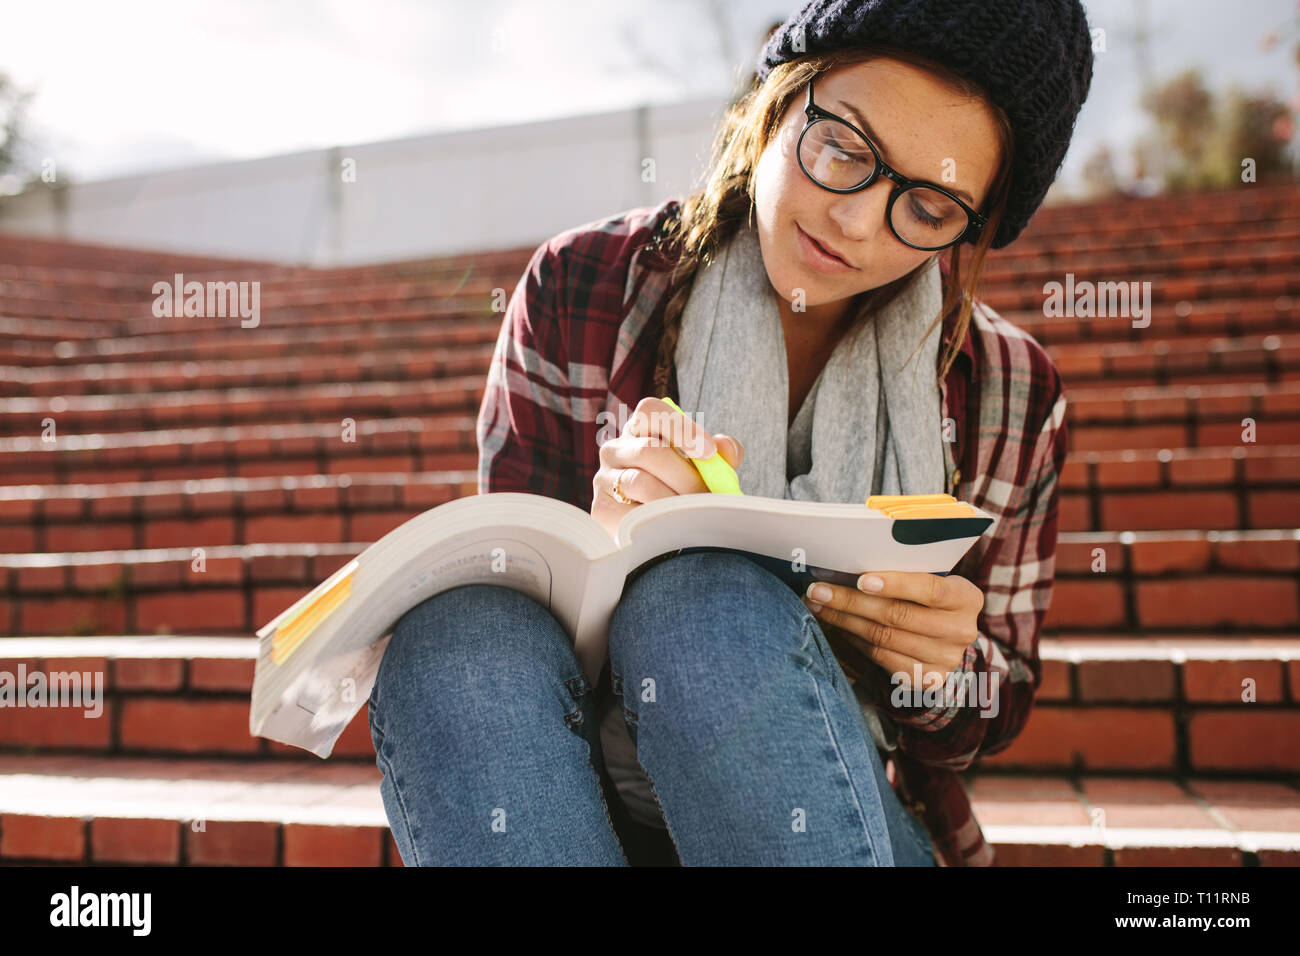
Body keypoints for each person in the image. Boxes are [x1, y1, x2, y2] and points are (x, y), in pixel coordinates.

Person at [368, 0, 1093, 866]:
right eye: (843, 151)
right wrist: (594, 556)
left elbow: (995, 704)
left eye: (930, 210)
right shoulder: (582, 287)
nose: (856, 223)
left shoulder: (1011, 391)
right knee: (457, 638)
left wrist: (937, 664)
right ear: (780, 100)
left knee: (702, 611)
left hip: (836, 807)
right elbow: (507, 611)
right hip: (578, 803)